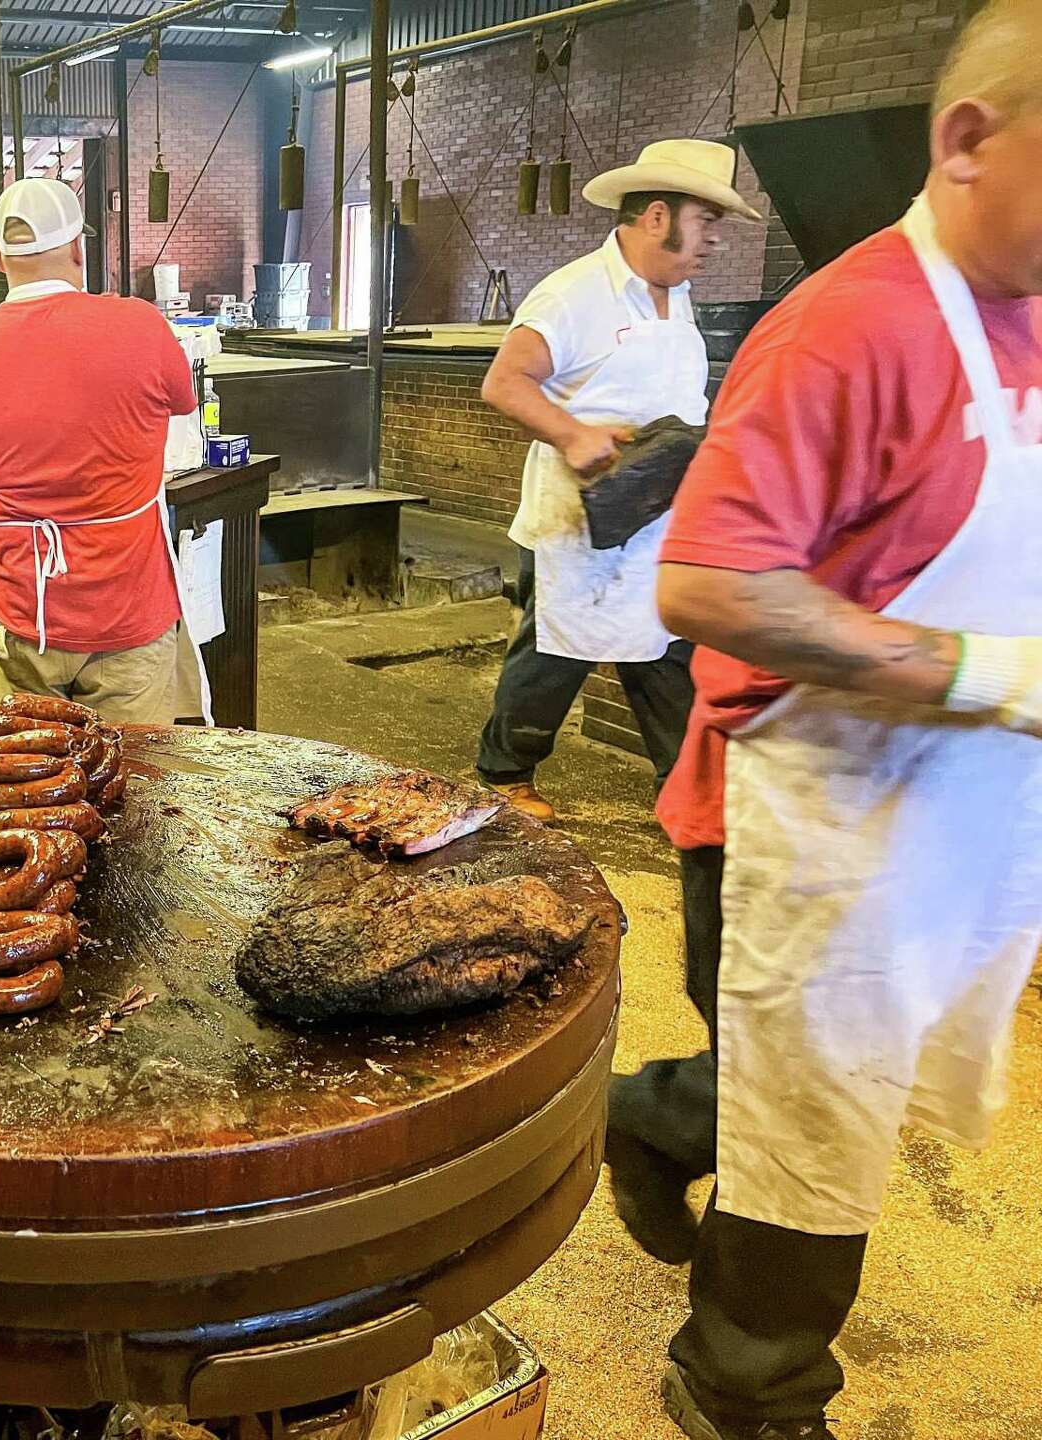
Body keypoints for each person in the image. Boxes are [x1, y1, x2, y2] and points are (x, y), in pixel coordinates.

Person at [604, 5, 1042, 1436]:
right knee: (815, 1123)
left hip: (957, 808)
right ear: (970, 138)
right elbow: (709, 580)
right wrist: (986, 673)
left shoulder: (1027, 313)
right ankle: (747, 1385)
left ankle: (660, 1110)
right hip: (805, 811)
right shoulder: (853, 327)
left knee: (849, 1076)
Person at [473, 140, 760, 821]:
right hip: (582, 518)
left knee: (663, 648)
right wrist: (574, 434)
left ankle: (687, 786)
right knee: (555, 653)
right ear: (658, 215)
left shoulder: (677, 298)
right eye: (707, 220)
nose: (715, 238)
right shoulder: (575, 293)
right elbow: (505, 382)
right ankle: (503, 771)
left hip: (659, 513)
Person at [0, 177, 204, 725]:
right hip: (128, 616)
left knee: (33, 793)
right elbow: (183, 403)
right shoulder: (141, 327)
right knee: (134, 792)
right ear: (80, 248)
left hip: (23, 618)